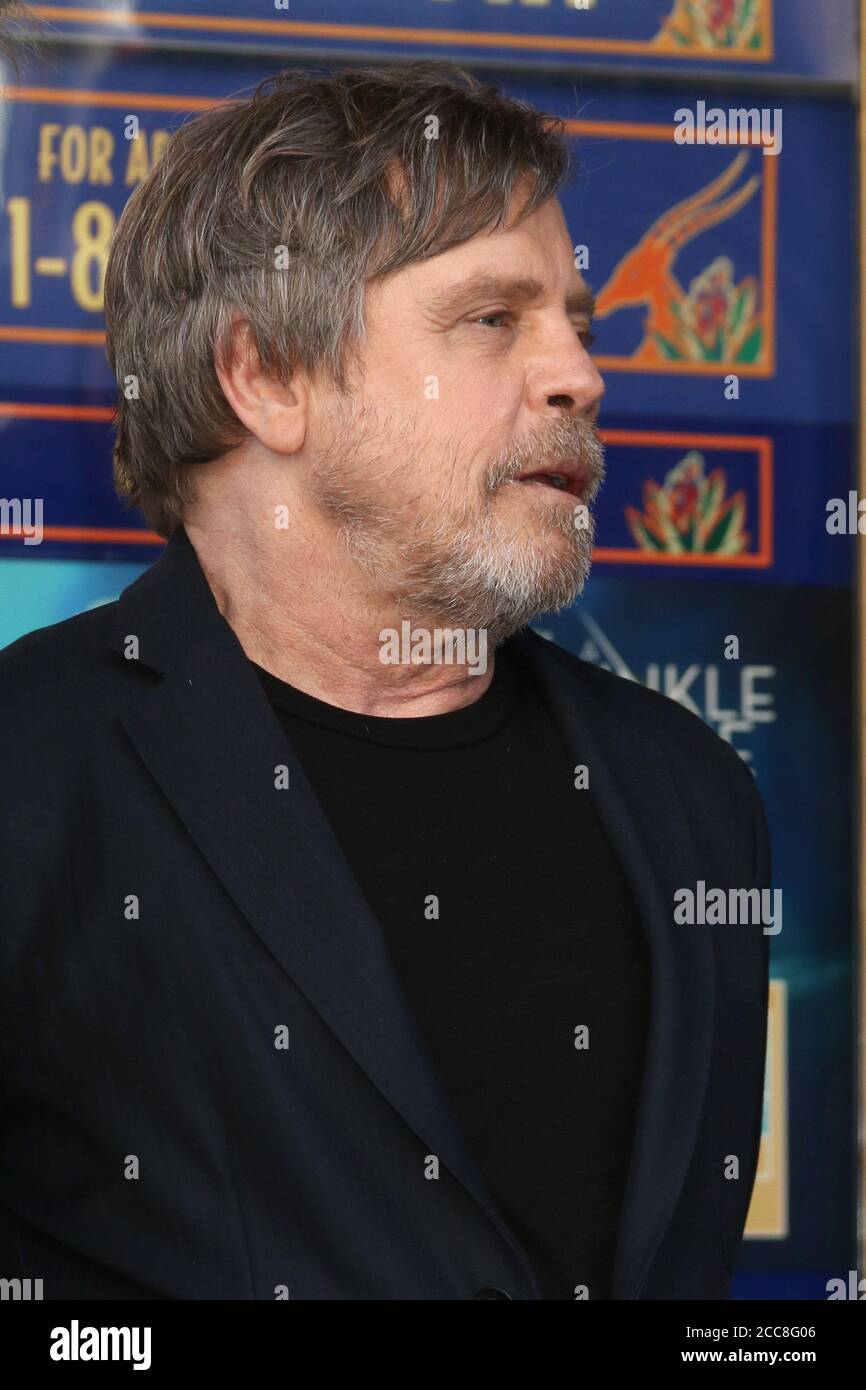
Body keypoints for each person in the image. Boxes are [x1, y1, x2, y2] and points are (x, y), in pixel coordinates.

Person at [0, 61, 769, 1300]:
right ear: (267, 377)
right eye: (492, 319)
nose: (580, 374)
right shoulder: (30, 775)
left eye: (577, 319)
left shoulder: (690, 796)